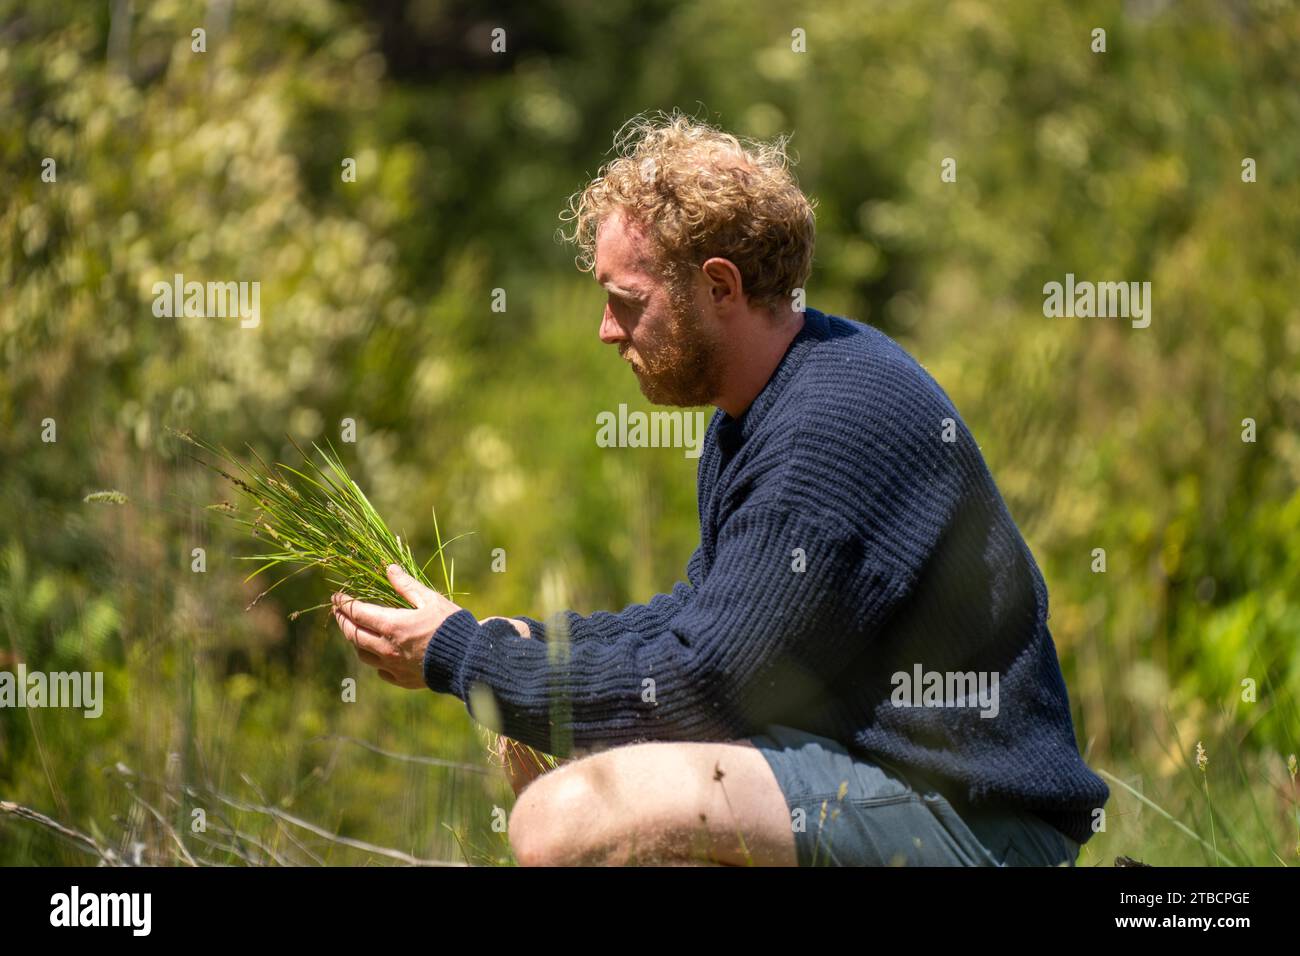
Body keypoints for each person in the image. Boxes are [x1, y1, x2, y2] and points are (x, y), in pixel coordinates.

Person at [331, 111, 1109, 867]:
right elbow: (707, 618)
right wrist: (527, 641)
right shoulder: (767, 402)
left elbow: (697, 688)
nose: (606, 330)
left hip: (977, 828)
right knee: (546, 727)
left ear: (719, 286)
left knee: (562, 814)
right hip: (883, 781)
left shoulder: (826, 428)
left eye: (627, 302)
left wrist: (462, 655)